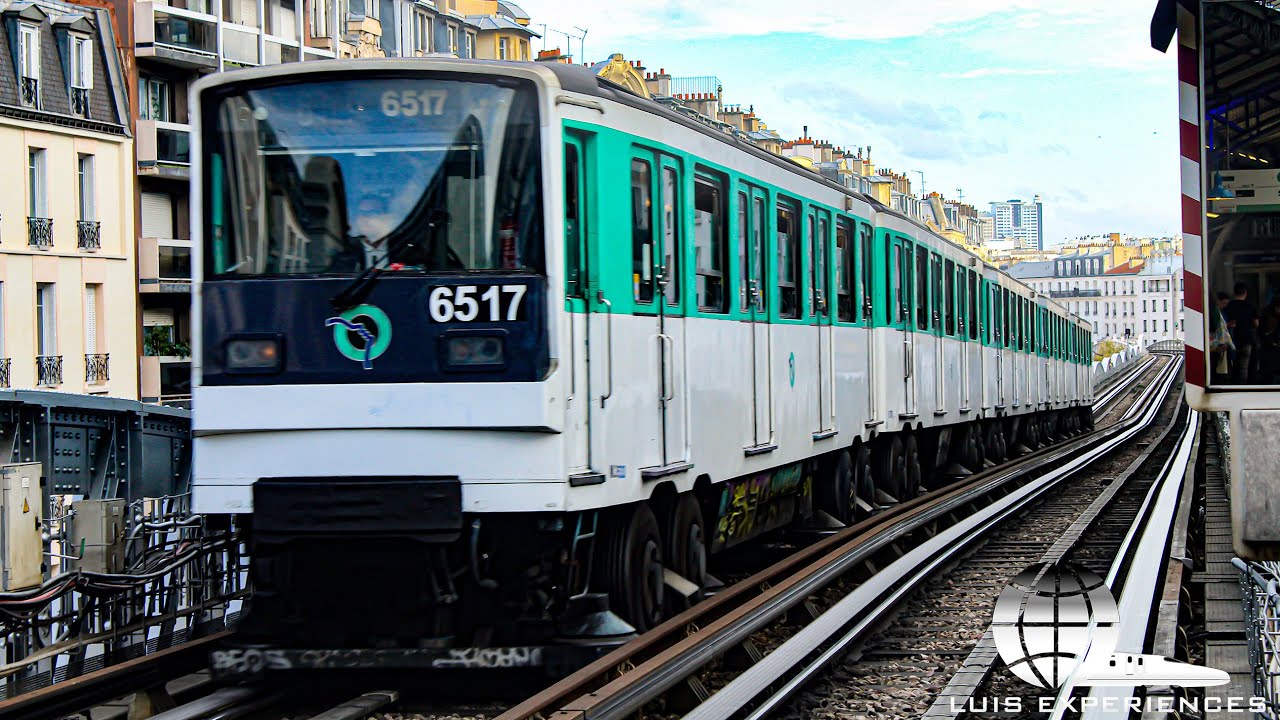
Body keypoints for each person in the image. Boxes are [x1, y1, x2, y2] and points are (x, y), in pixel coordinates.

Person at [1225, 282, 1260, 384]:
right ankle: (1242, 386)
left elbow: (1224, 322)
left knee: (1232, 364)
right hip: (1246, 339)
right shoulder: (1251, 306)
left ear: (1234, 293)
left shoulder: (1229, 306)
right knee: (1244, 366)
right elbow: (1256, 324)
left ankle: (1232, 384)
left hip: (1232, 339)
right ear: (1245, 293)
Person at [1210, 292, 1233, 383]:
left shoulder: (1219, 312)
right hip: (1218, 345)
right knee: (1220, 369)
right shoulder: (1216, 312)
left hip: (1217, 345)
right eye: (1224, 303)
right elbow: (1216, 327)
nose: (1225, 306)